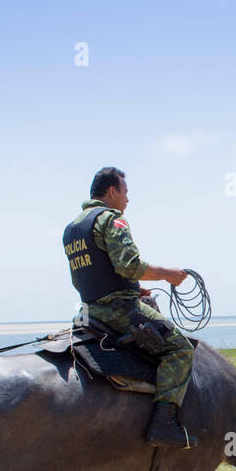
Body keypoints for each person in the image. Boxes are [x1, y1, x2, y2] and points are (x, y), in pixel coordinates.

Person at [62, 166, 195, 448]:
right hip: (118, 312)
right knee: (180, 349)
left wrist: (133, 288)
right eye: (125, 192)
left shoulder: (72, 229)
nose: (127, 199)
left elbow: (84, 277)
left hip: (88, 312)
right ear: (112, 192)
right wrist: (168, 274)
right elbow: (129, 265)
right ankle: (164, 424)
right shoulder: (112, 220)